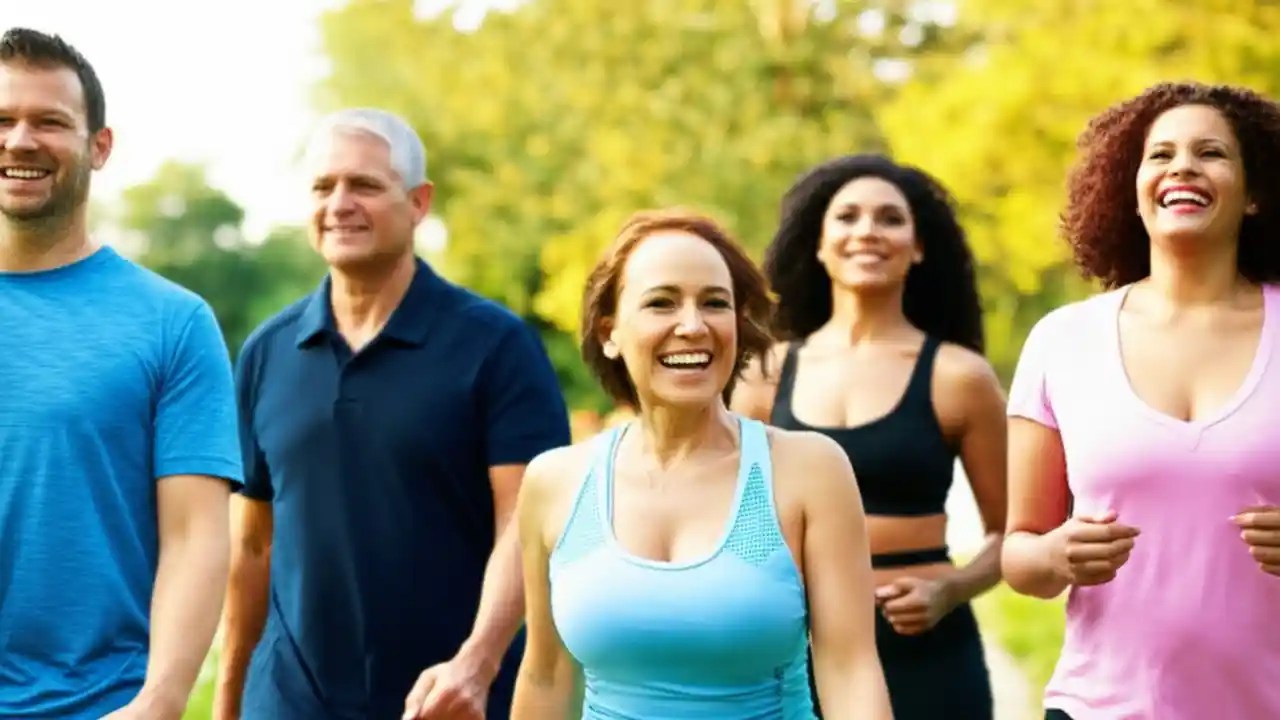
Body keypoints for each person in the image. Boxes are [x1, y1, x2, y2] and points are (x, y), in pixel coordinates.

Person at [212, 107, 572, 720]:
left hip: (449, 701)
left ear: (419, 202)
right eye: (323, 187)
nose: (339, 203)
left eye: (365, 185)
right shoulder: (266, 352)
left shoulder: (496, 346)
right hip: (290, 703)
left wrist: (477, 663)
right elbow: (251, 546)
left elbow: (529, 523)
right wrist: (228, 701)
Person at [511, 209, 894, 719]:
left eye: (715, 303)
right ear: (610, 332)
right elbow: (546, 674)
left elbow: (850, 672)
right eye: (661, 303)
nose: (692, 326)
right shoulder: (554, 481)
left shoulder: (809, 470)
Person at [1002, 82, 1280, 719]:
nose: (1182, 166)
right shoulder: (1062, 341)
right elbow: (1020, 550)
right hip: (1100, 707)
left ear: (1256, 192)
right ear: (1133, 192)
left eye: (1211, 153)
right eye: (1160, 155)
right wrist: (1052, 555)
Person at [0, 27, 242, 719]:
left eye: (50, 121)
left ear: (97, 147)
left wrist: (161, 701)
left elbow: (197, 534)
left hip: (101, 704)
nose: (20, 141)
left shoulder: (172, 323)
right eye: (3, 120)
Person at [732, 154, 1006, 719]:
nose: (867, 232)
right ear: (818, 242)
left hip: (928, 653)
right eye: (848, 217)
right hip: (793, 651)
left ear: (919, 246)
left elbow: (1017, 531)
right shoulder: (764, 374)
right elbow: (730, 523)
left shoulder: (959, 377)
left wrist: (950, 590)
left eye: (890, 218)